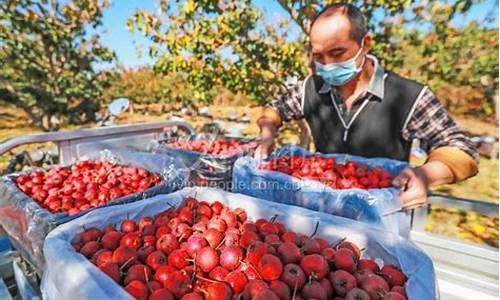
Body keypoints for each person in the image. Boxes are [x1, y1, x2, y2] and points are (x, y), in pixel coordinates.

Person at [255, 3, 478, 210]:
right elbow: (274, 109)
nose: (327, 65)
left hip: (378, 220)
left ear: (366, 44)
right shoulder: (311, 88)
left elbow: (462, 148)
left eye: (337, 53)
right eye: (319, 57)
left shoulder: (408, 97)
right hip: (323, 215)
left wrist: (426, 175)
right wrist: (267, 134)